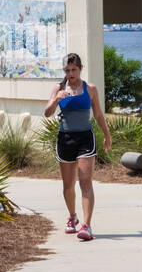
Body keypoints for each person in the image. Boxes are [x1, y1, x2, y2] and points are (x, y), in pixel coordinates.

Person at [45, 53, 112, 241]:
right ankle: (72, 217)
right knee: (68, 185)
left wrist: (107, 135)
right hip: (65, 139)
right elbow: (47, 113)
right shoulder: (58, 88)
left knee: (85, 181)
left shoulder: (90, 89)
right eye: (67, 70)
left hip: (85, 138)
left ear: (80, 69)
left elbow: (98, 115)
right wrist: (56, 99)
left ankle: (87, 225)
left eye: (74, 69)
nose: (71, 73)